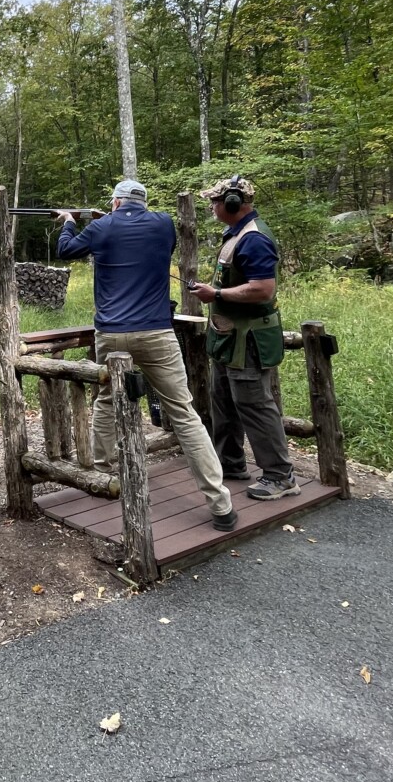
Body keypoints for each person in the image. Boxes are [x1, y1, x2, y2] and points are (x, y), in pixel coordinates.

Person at [55, 179, 237, 533]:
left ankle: (104, 476)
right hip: (156, 331)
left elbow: (67, 251)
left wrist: (68, 221)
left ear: (115, 203)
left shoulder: (100, 227)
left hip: (112, 333)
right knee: (184, 413)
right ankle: (220, 504)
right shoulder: (164, 223)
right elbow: (145, 239)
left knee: (106, 402)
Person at [188, 176, 299, 501]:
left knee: (255, 405)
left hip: (248, 340)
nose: (212, 207)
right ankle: (231, 462)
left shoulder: (254, 239)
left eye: (215, 202)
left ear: (233, 204)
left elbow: (263, 288)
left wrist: (217, 293)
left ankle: (281, 476)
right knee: (223, 400)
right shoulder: (237, 235)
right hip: (228, 337)